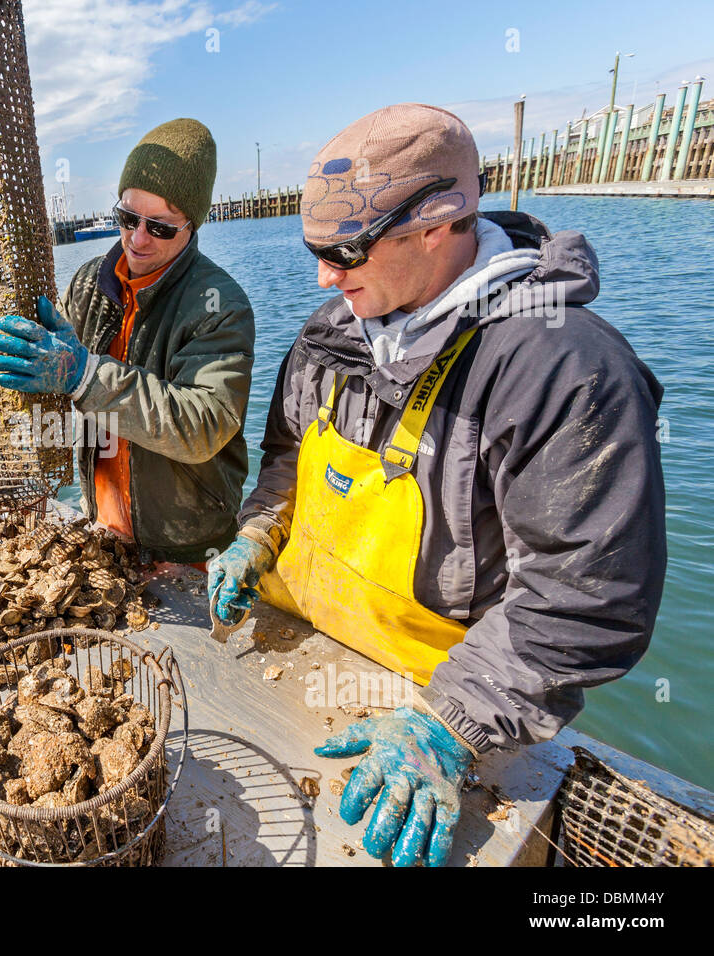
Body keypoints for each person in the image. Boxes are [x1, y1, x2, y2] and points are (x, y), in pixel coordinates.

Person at [207, 104, 665, 866]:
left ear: (439, 222)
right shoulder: (330, 333)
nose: (326, 276)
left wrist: (450, 724)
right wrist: (258, 532)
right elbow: (287, 457)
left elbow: (587, 595)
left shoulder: (566, 370)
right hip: (307, 656)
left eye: (347, 251)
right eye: (316, 251)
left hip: (452, 703)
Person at [0, 118, 255, 565]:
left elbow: (204, 426)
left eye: (160, 227)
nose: (138, 238)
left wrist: (84, 374)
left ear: (192, 224)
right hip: (103, 530)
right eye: (127, 218)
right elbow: (47, 372)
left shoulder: (219, 304)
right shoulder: (90, 283)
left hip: (191, 547)